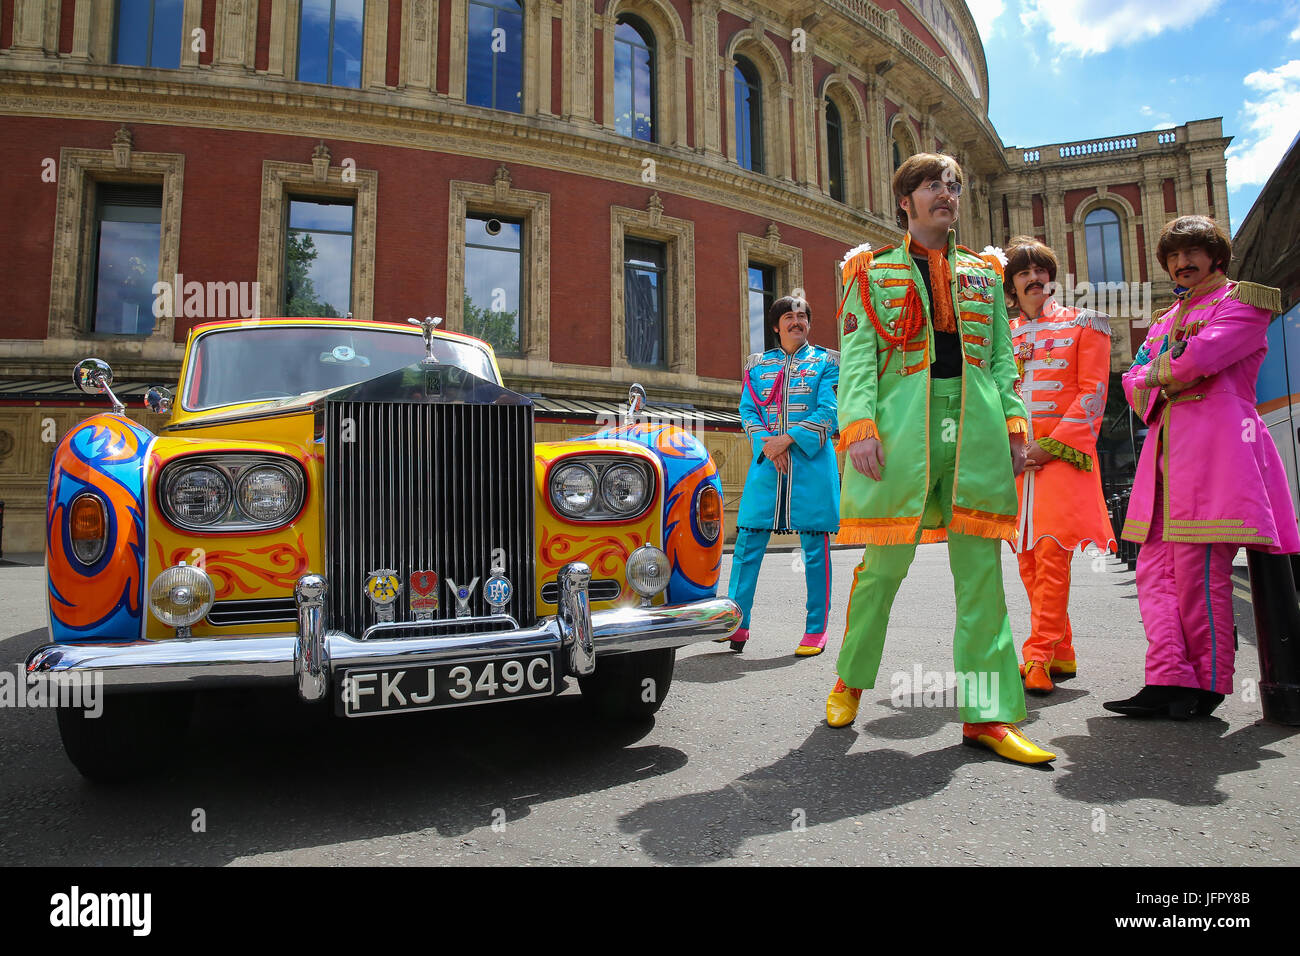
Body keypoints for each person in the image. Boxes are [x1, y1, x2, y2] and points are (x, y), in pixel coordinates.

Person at [829, 153, 1055, 764]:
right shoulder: (869, 271)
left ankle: (988, 717)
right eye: (933, 185)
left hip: (976, 429)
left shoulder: (985, 272)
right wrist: (860, 426)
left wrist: (1014, 425)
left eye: (952, 185)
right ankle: (850, 679)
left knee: (981, 575)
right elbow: (856, 358)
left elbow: (1004, 359)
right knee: (883, 569)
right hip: (903, 428)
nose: (946, 194)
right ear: (906, 200)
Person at [1109, 215, 1297, 718]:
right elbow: (1132, 380)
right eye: (1172, 256)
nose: (1181, 263)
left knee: (1199, 573)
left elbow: (1199, 359)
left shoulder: (1244, 301)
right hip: (1166, 454)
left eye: (1191, 252)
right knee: (1153, 570)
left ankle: (1208, 682)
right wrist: (1162, 376)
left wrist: (1160, 375)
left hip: (1217, 450)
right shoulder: (1167, 318)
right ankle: (1168, 677)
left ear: (1216, 255)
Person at [1005, 236, 1117, 694]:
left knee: (1052, 554)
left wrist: (1048, 447)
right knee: (1028, 559)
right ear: (1012, 284)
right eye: (1025, 272)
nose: (1036, 278)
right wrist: (1012, 447)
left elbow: (1092, 394)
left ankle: (1036, 654)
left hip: (1061, 457)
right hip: (1015, 460)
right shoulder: (1004, 335)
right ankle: (1062, 651)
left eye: (1042, 271)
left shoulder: (1085, 324)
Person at [727, 291, 841, 656]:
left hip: (810, 464)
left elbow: (830, 412)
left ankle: (815, 630)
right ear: (776, 326)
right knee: (746, 544)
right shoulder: (757, 366)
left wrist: (787, 440)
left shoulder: (827, 362)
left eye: (802, 317)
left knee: (815, 550)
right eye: (789, 318)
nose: (797, 322)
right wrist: (768, 445)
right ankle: (736, 623)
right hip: (767, 466)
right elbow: (748, 412)